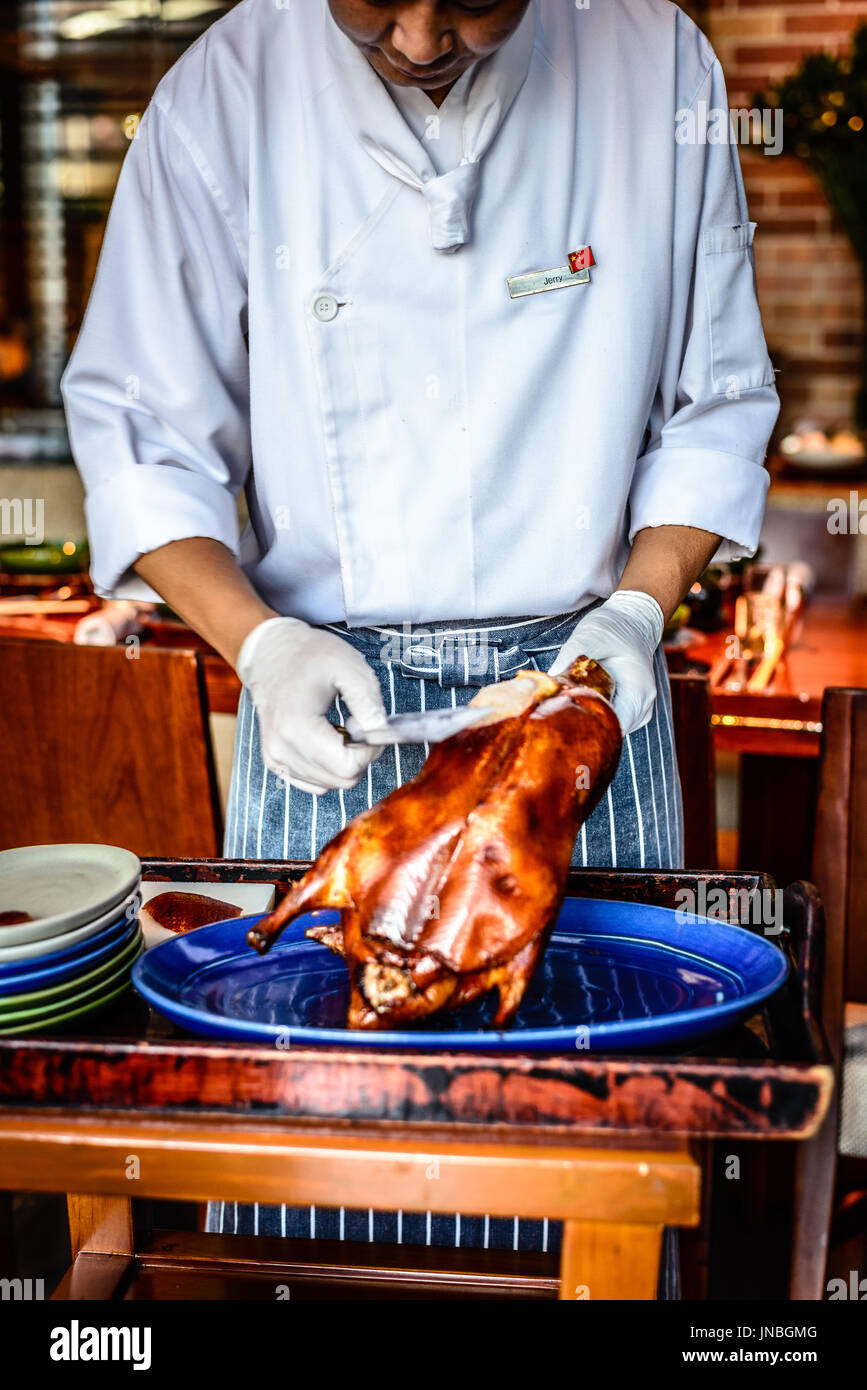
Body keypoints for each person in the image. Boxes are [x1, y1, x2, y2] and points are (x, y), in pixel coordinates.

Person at [62, 0, 779, 1253]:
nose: (420, 33)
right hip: (331, 724)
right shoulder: (222, 90)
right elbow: (141, 437)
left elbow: (716, 410)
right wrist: (260, 645)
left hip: (579, 716)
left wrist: (635, 610)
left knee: (605, 1195)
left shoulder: (656, 58)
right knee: (317, 1214)